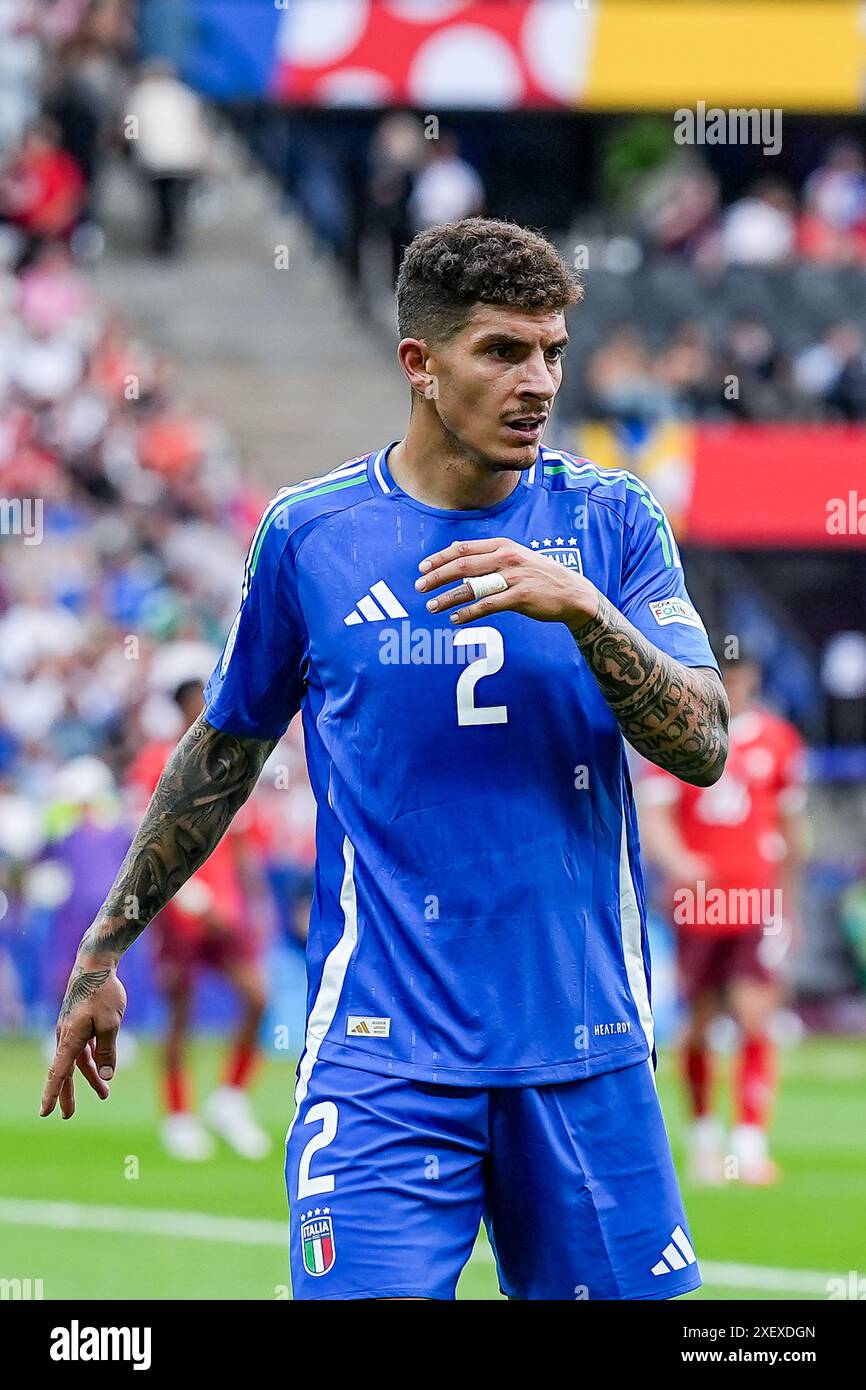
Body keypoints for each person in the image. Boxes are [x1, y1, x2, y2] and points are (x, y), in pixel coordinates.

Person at [41, 218, 729, 1301]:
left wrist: (588, 615)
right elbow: (221, 750)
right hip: (381, 1059)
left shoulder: (611, 520)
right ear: (419, 363)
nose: (537, 380)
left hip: (584, 1046)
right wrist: (102, 947)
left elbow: (702, 745)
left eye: (551, 350)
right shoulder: (311, 535)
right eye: (502, 351)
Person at [638, 651, 805, 1187]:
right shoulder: (676, 732)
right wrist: (679, 863)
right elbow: (656, 814)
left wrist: (789, 902)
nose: (731, 686)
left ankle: (750, 1145)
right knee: (701, 1023)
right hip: (701, 902)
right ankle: (706, 1140)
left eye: (737, 676)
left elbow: (793, 829)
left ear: (752, 677)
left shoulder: (779, 740)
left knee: (756, 1013)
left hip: (755, 899)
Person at [126, 678, 272, 1162]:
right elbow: (146, 835)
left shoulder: (234, 759)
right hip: (180, 909)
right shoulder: (159, 762)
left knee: (257, 997)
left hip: (227, 912)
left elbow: (244, 840)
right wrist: (188, 896)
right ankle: (178, 1115)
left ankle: (229, 1099)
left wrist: (255, 903)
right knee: (180, 1010)